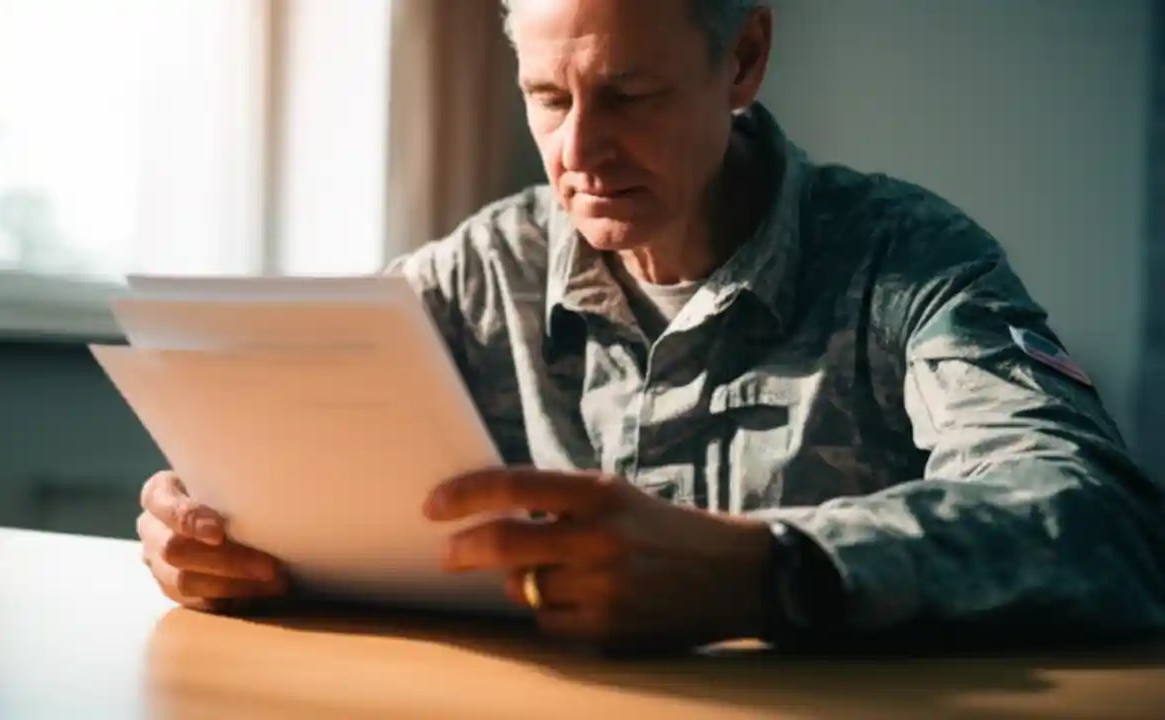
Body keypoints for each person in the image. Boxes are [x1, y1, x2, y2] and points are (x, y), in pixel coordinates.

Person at [135, 0, 1165, 648]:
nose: (577, 148)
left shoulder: (903, 261)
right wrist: (211, 523)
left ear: (744, 59)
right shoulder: (482, 268)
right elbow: (293, 458)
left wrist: (769, 568)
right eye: (546, 97)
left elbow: (1099, 526)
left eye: (627, 94)